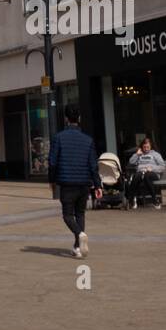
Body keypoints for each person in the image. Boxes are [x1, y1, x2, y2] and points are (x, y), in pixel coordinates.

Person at [48, 105, 102, 257]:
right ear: (79, 119)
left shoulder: (58, 138)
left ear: (66, 119)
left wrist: (52, 181)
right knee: (80, 213)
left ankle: (79, 234)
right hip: (84, 182)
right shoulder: (88, 140)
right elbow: (93, 164)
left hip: (67, 181)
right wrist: (98, 185)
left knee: (67, 215)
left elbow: (52, 162)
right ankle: (78, 247)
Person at [126, 139, 165, 209]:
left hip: (152, 173)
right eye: (144, 147)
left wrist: (152, 168)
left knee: (147, 175)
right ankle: (131, 200)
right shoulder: (139, 154)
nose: (146, 149)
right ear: (142, 147)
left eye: (148, 147)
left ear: (151, 147)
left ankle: (154, 200)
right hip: (141, 173)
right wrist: (137, 154)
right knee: (136, 176)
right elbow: (131, 162)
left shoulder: (156, 154)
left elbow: (162, 167)